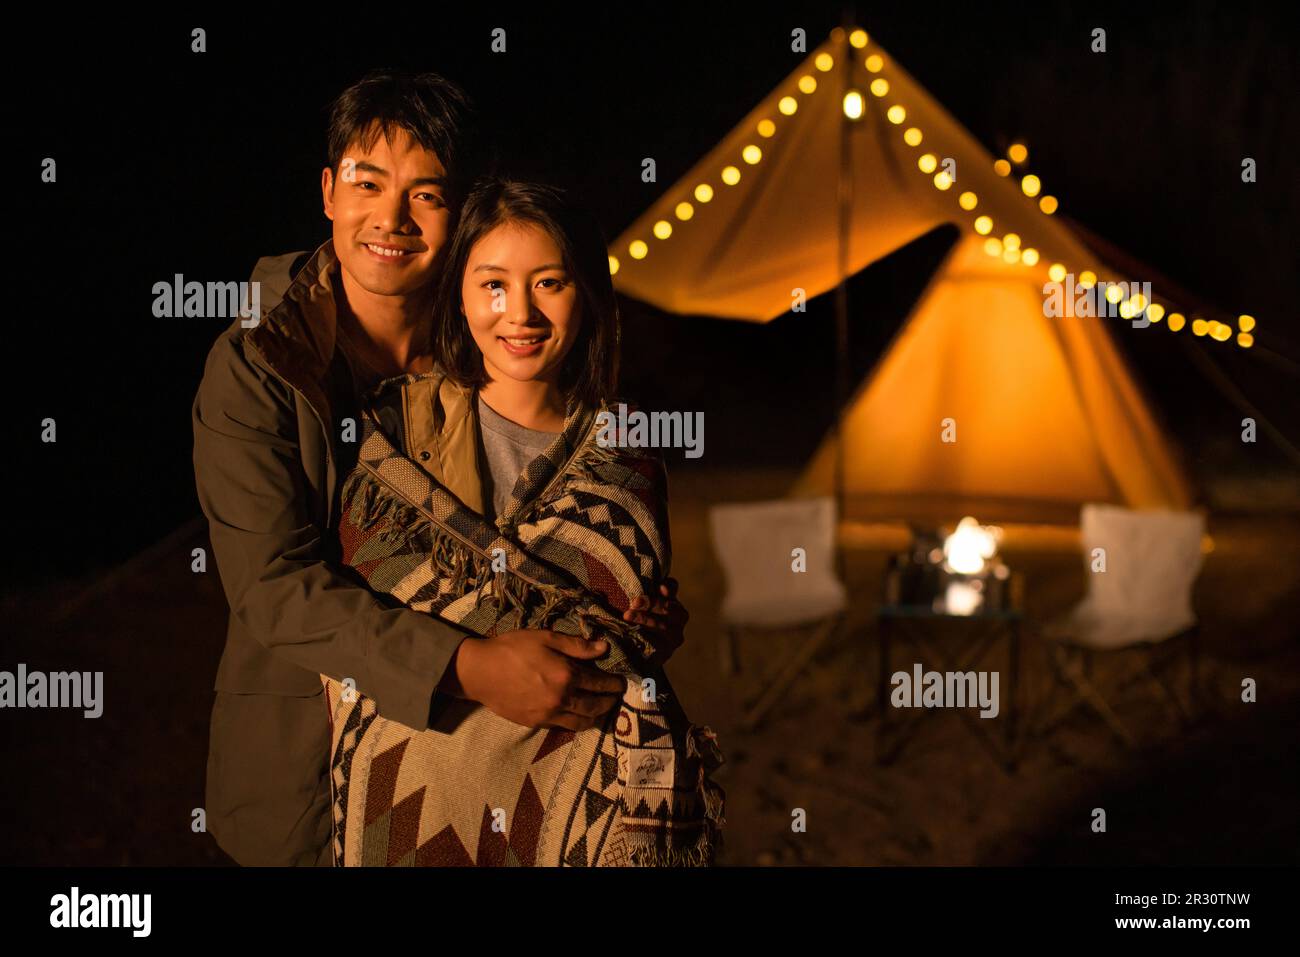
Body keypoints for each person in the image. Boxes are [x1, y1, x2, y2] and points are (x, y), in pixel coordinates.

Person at [191, 70, 687, 867]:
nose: (391, 218)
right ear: (328, 191)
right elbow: (271, 587)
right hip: (301, 766)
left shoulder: (482, 346)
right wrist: (467, 665)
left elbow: (536, 531)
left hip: (471, 770)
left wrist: (622, 618)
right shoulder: (256, 365)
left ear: (459, 214)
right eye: (368, 182)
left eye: (426, 194)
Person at [323, 177, 724, 866]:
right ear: (458, 293)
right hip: (415, 782)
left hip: (566, 803)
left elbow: (619, 623)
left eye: (549, 283)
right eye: (494, 284)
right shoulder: (398, 433)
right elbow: (358, 601)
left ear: (588, 295)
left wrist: (643, 631)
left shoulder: (628, 458)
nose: (522, 314)